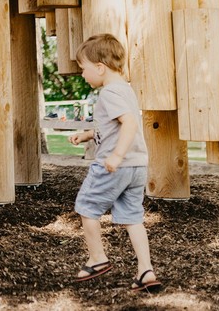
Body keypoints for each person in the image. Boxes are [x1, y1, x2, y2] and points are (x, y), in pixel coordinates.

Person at [68, 33, 163, 293]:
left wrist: (115, 156)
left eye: (83, 69)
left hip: (116, 165)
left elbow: (130, 124)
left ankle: (97, 258)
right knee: (133, 219)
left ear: (100, 67)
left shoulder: (109, 93)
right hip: (137, 167)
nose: (83, 76)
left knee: (87, 208)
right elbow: (114, 125)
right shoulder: (126, 90)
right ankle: (146, 270)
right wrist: (88, 134)